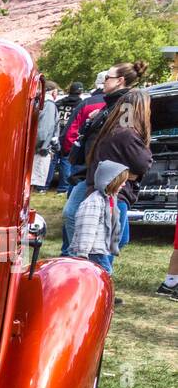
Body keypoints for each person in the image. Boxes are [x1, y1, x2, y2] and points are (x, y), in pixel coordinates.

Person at [59, 61, 149, 255]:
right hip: (90, 172)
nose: (104, 82)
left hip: (109, 179)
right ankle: (81, 254)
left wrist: (121, 173)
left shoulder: (126, 107)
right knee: (74, 215)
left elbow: (124, 139)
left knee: (112, 237)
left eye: (108, 77)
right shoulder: (109, 104)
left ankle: (88, 259)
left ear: (120, 81)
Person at [67, 160, 129, 274]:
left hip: (100, 249)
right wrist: (82, 253)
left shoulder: (109, 199)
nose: (124, 184)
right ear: (112, 181)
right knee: (105, 272)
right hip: (92, 251)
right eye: (122, 181)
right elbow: (86, 228)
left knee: (102, 273)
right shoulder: (94, 202)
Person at [53, 81, 84, 193]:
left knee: (52, 160)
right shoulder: (81, 104)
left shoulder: (59, 102)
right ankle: (63, 187)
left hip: (56, 134)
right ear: (80, 92)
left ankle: (43, 186)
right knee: (66, 161)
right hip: (70, 136)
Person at [33, 84, 59, 191]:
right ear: (53, 91)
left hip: (37, 147)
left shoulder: (42, 103)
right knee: (33, 181)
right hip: (40, 149)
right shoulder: (48, 105)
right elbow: (44, 130)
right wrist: (43, 147)